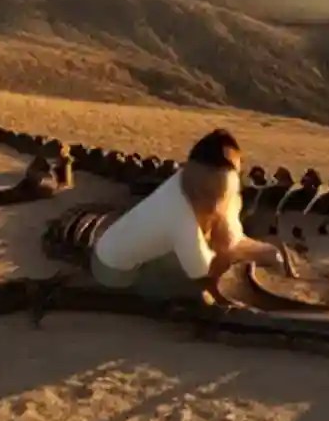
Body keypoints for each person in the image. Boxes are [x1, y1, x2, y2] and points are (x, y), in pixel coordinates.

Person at [89, 128, 284, 301]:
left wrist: (265, 253)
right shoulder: (180, 215)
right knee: (190, 285)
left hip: (113, 248)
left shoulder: (188, 183)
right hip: (115, 274)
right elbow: (204, 276)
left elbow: (230, 237)